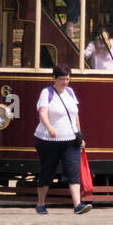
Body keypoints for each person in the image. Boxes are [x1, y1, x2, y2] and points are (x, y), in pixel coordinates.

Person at [33, 65, 92, 215]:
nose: (65, 82)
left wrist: (80, 135)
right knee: (47, 171)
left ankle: (77, 205)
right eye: (62, 79)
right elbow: (43, 113)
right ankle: (40, 203)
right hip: (48, 141)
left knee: (73, 171)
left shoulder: (70, 92)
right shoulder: (46, 93)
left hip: (70, 140)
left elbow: (75, 115)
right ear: (54, 78)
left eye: (67, 79)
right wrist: (49, 127)